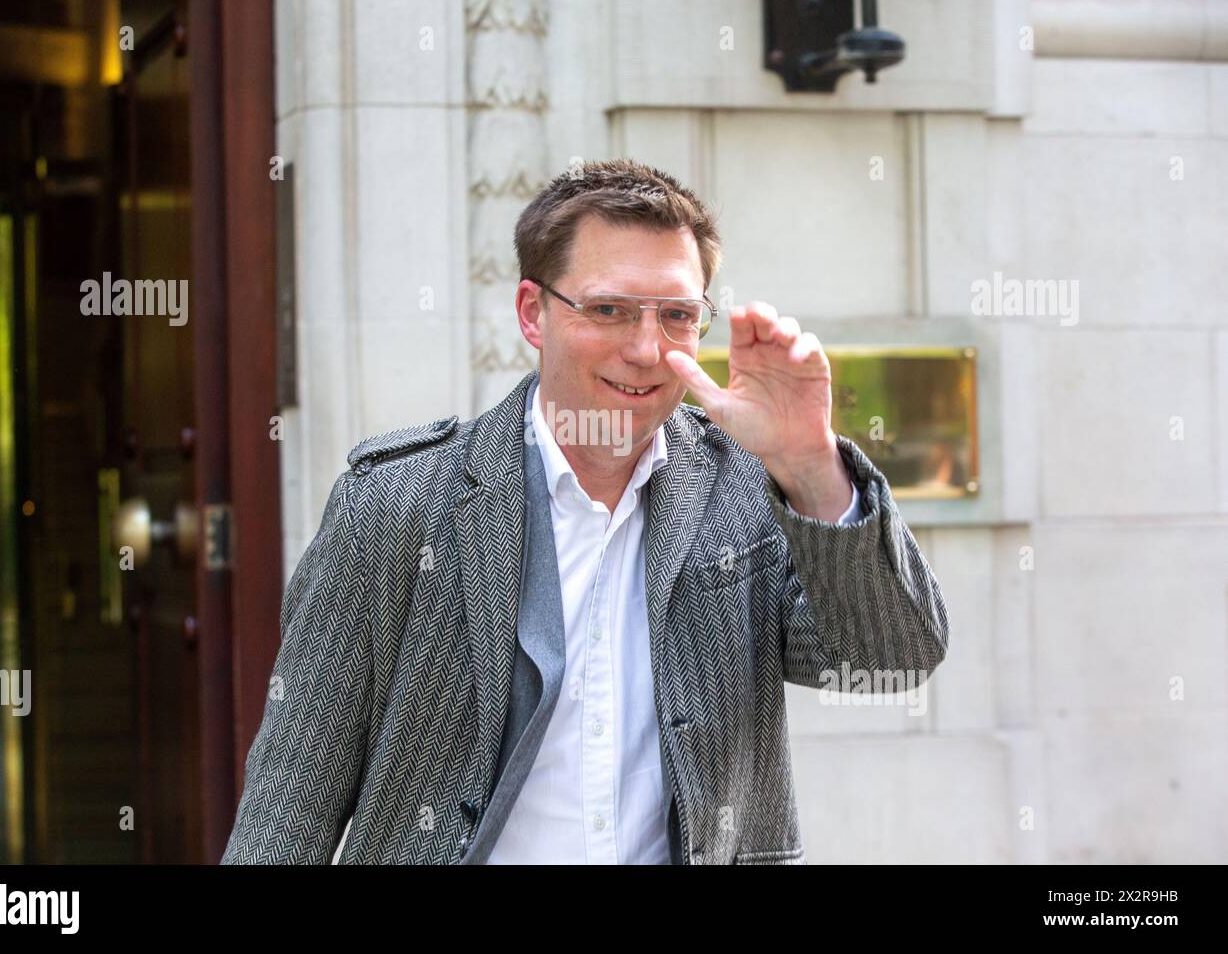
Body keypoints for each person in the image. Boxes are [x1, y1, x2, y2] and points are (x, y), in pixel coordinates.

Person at [221, 158, 949, 864]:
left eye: (676, 316)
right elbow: (294, 799)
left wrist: (809, 462)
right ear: (533, 312)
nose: (644, 348)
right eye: (608, 310)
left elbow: (888, 658)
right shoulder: (392, 506)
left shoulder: (747, 488)